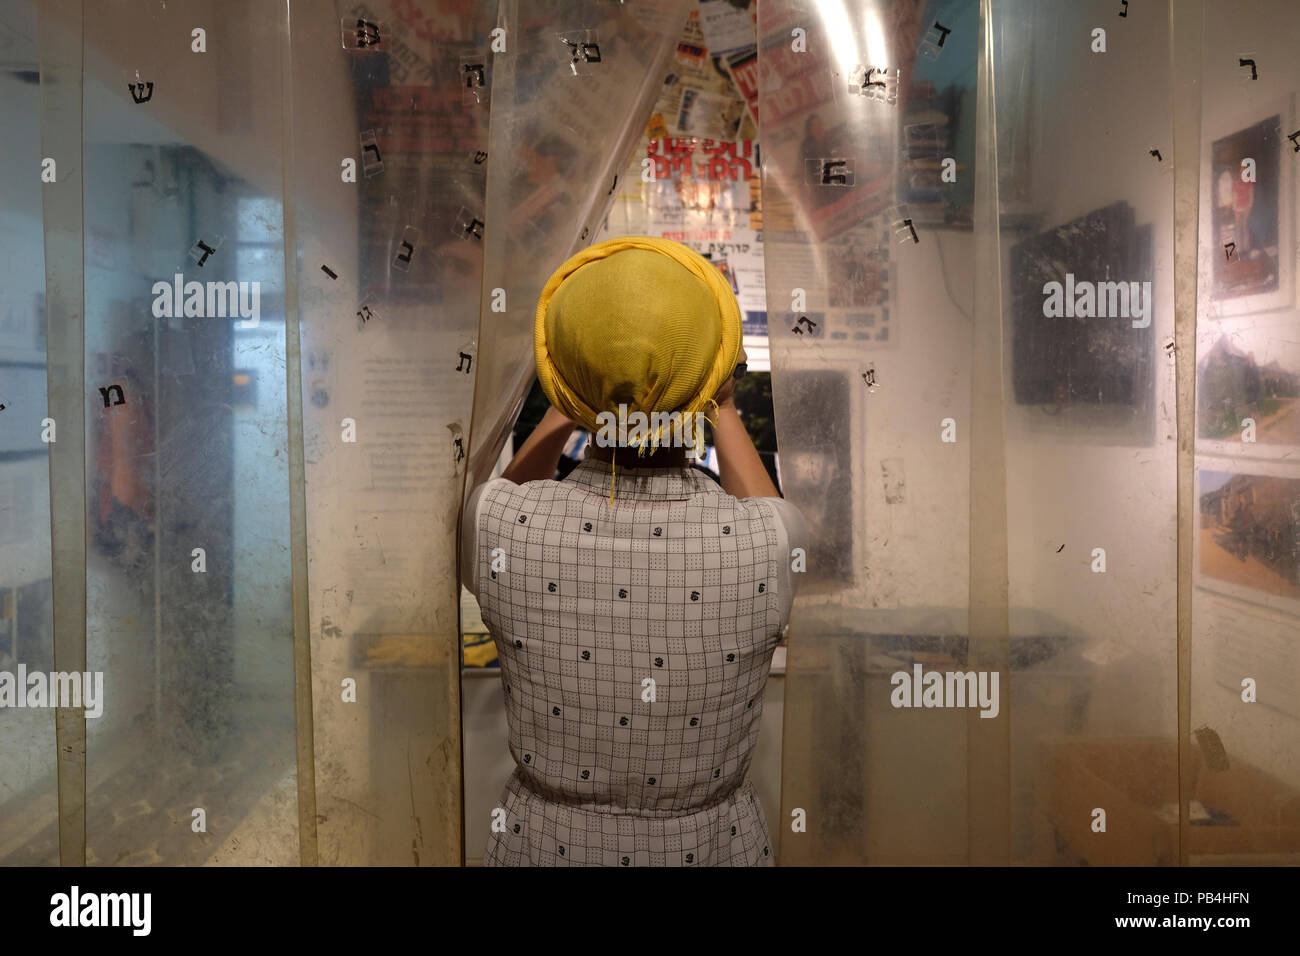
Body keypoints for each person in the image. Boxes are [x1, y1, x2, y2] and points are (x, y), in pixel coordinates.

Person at [460, 236, 807, 866]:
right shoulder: (766, 544)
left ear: (564, 381)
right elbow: (771, 515)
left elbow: (491, 512)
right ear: (713, 376)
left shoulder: (501, 526)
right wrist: (722, 405)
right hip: (708, 850)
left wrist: (573, 403)